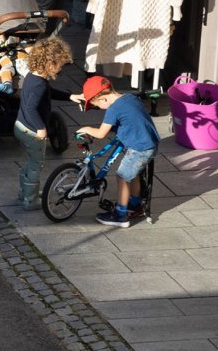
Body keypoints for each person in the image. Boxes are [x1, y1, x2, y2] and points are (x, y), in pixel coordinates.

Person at [74, 77, 159, 227]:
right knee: (134, 175)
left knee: (122, 177)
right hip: (149, 143)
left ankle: (120, 215)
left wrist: (86, 129)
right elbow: (132, 118)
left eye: (97, 105)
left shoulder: (113, 109)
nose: (99, 108)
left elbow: (101, 133)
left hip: (139, 148)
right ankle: (135, 204)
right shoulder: (129, 97)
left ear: (103, 98)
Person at [13, 36, 74, 210]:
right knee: (36, 165)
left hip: (21, 125)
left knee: (30, 162)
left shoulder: (34, 77)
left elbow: (49, 92)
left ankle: (24, 192)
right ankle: (30, 200)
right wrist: (41, 128)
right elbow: (32, 108)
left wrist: (70, 96)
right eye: (59, 65)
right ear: (49, 63)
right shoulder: (40, 84)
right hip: (32, 132)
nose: (61, 69)